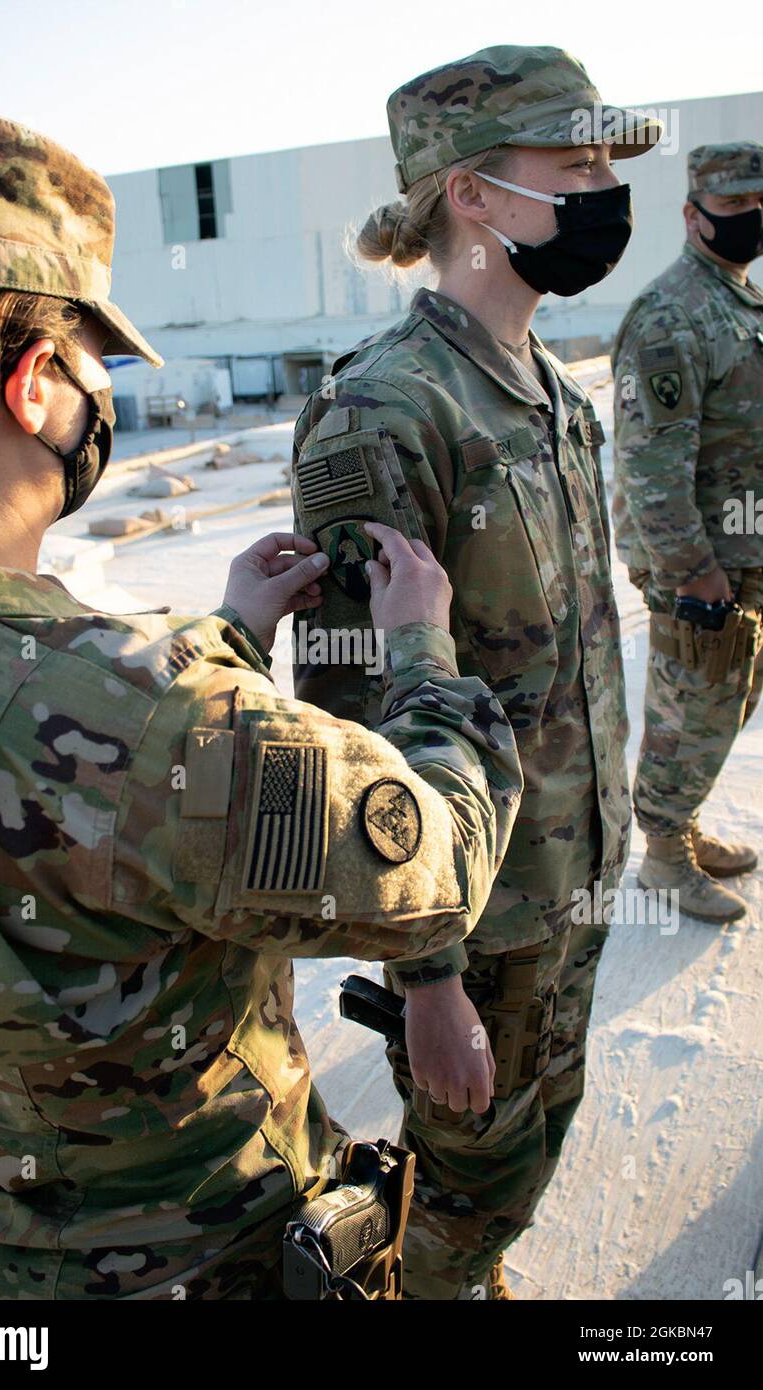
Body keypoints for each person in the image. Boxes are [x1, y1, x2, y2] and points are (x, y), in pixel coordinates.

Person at [0, 89, 524, 1299]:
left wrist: (225, 638)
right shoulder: (148, 715)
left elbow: (110, 766)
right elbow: (432, 858)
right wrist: (421, 654)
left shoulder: (142, 706)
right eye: (90, 366)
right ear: (33, 387)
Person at [291, 44, 661, 1300]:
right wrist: (428, 978)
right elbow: (350, 719)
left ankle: (464, 1262)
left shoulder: (553, 390)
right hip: (477, 911)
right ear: (471, 196)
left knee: (531, 1142)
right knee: (468, 1170)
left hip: (576, 864)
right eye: (575, 168)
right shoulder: (385, 411)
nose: (605, 194)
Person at [612, 143, 763, 924]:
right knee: (687, 709)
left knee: (722, 706)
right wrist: (692, 569)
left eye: (758, 205)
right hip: (703, 567)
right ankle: (664, 858)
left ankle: (685, 827)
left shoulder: (738, 299)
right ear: (693, 215)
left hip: (745, 559)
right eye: (734, 208)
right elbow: (650, 465)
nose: (750, 219)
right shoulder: (673, 314)